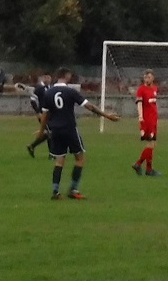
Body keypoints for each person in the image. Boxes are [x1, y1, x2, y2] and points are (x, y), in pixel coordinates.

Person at [40, 68, 119, 199]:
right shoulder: (71, 92)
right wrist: (107, 116)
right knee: (80, 159)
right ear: (66, 76)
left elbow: (45, 115)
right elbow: (90, 107)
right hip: (70, 129)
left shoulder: (48, 93)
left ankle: (55, 192)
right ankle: (73, 189)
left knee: (59, 161)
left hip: (56, 130)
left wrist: (42, 130)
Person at [132, 69, 161, 176]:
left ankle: (147, 169)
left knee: (152, 144)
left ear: (153, 78)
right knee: (150, 143)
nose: (147, 79)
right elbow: (139, 104)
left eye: (148, 77)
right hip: (147, 120)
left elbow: (153, 104)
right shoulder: (141, 90)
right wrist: (140, 116)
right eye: (145, 77)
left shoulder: (155, 88)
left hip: (153, 120)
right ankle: (141, 165)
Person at [23, 72, 54, 158]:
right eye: (46, 77)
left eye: (49, 77)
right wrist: (38, 112)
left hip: (51, 114)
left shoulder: (52, 88)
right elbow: (33, 101)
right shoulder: (39, 89)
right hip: (43, 114)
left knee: (49, 133)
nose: (47, 79)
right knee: (50, 133)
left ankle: (32, 146)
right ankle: (52, 154)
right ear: (43, 78)